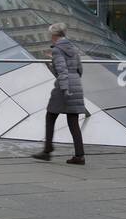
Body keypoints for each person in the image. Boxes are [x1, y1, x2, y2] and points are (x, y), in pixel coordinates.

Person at [32, 22, 86, 165]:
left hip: (64, 87)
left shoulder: (57, 50)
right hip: (76, 84)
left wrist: (64, 88)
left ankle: (47, 151)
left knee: (50, 115)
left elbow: (62, 71)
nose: (50, 38)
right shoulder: (73, 48)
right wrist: (74, 82)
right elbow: (80, 68)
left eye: (51, 35)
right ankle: (79, 156)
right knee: (73, 121)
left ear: (54, 35)